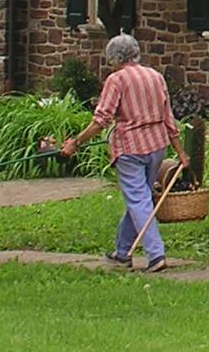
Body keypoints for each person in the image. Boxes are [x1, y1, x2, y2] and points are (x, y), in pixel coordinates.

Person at [62, 34, 188, 272]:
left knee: (139, 200)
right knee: (139, 199)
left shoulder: (116, 80)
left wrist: (76, 143)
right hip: (157, 147)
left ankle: (156, 255)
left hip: (130, 149)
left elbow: (101, 120)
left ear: (114, 58)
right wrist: (180, 151)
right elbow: (168, 117)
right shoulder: (155, 77)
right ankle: (122, 253)